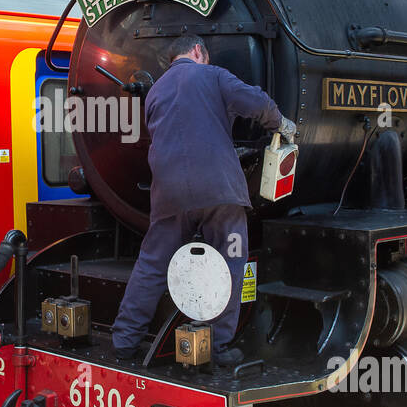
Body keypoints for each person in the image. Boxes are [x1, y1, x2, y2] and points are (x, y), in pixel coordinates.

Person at [113, 34, 296, 366]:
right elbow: (255, 102)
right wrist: (281, 124)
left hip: (168, 196)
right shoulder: (212, 75)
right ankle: (218, 347)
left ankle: (125, 341)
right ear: (198, 51)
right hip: (219, 192)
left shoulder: (154, 92)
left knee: (152, 265)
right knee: (232, 261)